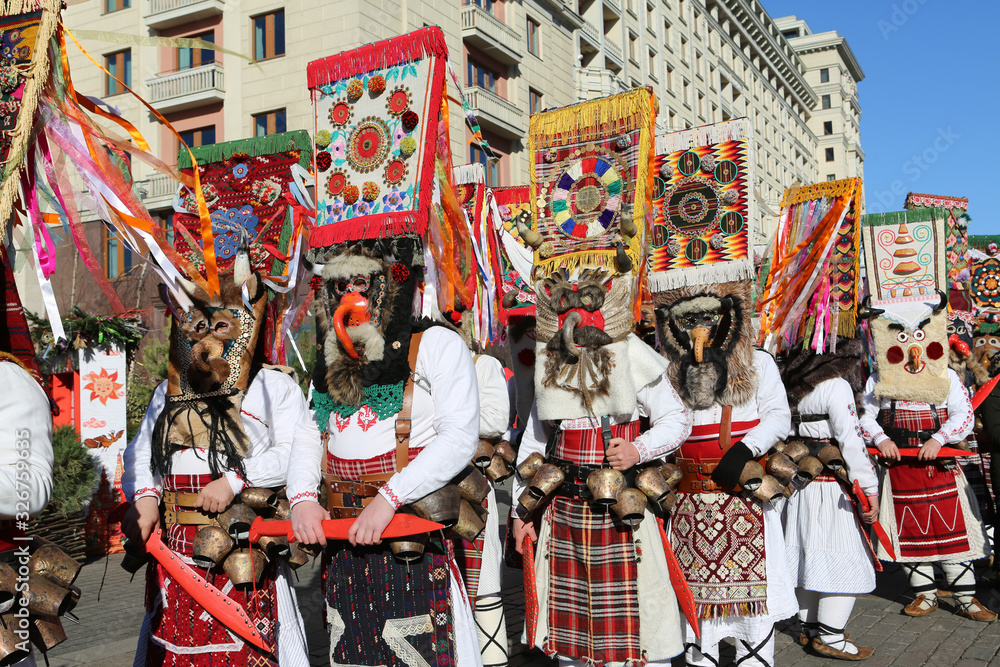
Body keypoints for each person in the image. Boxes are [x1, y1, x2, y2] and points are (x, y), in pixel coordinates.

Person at [122, 250, 310, 667]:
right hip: (174, 547)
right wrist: (146, 497)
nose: (208, 337)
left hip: (240, 543)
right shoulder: (166, 393)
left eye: (222, 324)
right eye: (199, 323)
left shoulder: (274, 386)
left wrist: (235, 480)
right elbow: (140, 452)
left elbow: (297, 454)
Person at [859, 209, 993, 622]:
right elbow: (864, 415)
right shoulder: (879, 379)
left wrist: (939, 439)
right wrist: (881, 439)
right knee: (910, 527)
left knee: (953, 527)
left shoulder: (946, 376)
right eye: (901, 337)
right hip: (900, 466)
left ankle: (966, 597)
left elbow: (963, 414)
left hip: (940, 465)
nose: (911, 348)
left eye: (918, 335)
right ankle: (925, 594)